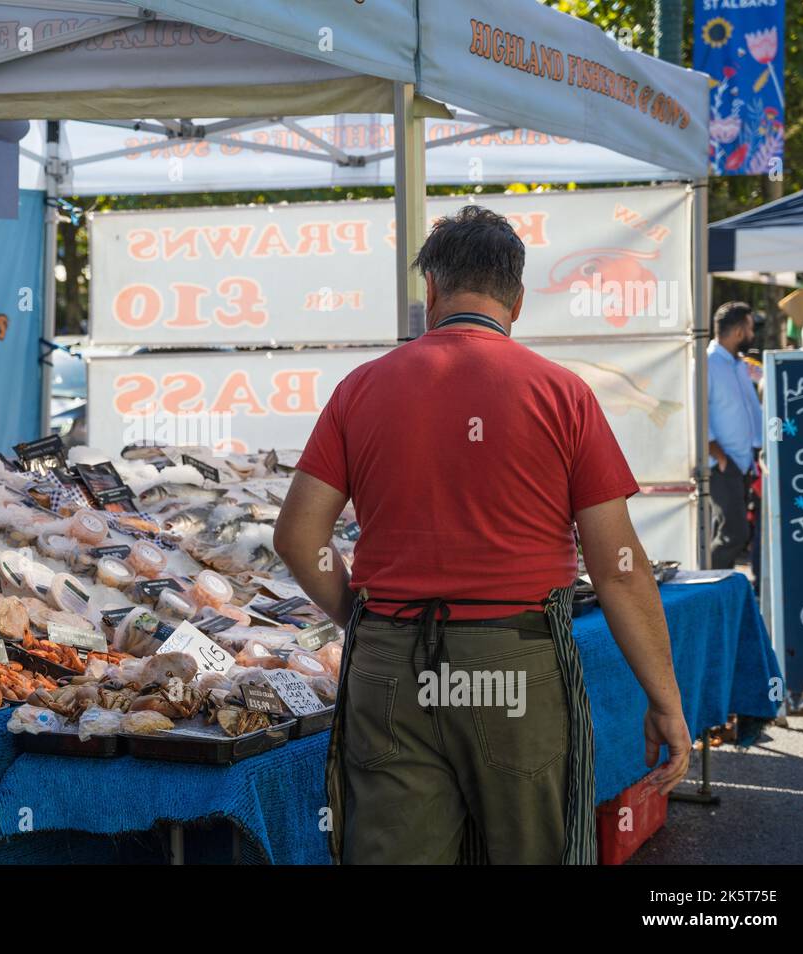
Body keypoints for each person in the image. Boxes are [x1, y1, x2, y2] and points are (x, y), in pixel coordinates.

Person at [274, 206, 690, 865]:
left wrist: (366, 616)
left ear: (431, 292)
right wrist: (665, 701)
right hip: (514, 670)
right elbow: (618, 566)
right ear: (517, 301)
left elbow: (299, 536)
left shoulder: (361, 389)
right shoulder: (562, 394)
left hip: (390, 667)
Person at [707, 302, 761, 570]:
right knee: (735, 534)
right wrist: (719, 456)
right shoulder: (706, 363)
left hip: (744, 464)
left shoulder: (739, 365)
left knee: (729, 531)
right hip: (722, 465)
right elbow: (697, 413)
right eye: (750, 328)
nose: (753, 335)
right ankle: (708, 586)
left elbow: (754, 410)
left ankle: (720, 593)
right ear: (739, 331)